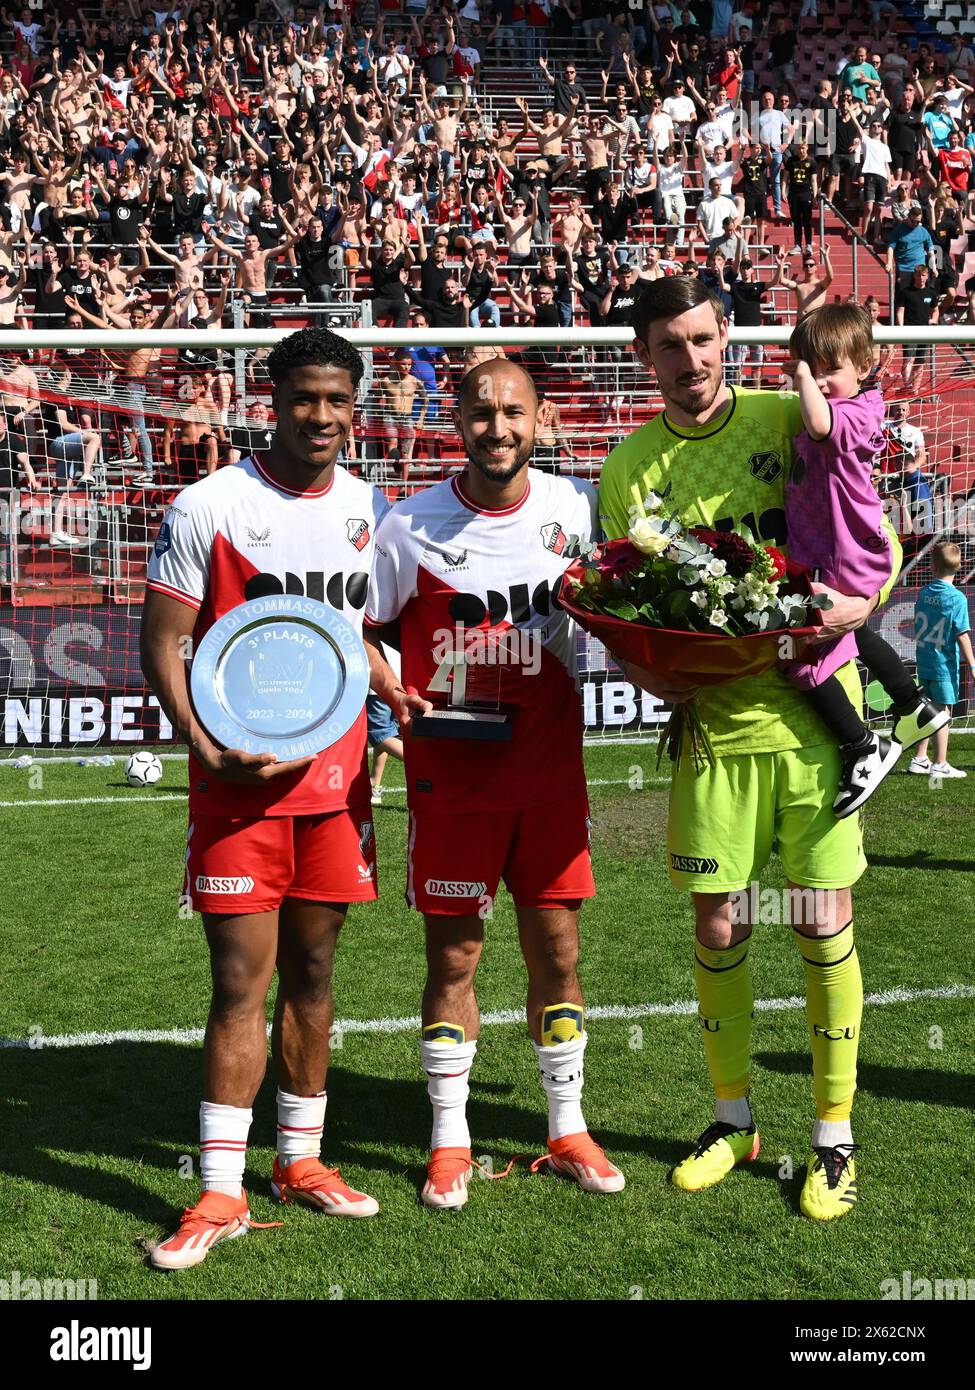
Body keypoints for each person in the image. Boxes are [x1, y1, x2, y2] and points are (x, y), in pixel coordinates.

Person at [598, 277, 903, 1222]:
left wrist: (863, 605)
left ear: (725, 336)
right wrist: (653, 676)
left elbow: (875, 540)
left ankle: (833, 1134)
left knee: (818, 920)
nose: (688, 362)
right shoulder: (630, 472)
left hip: (815, 731)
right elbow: (620, 611)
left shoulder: (788, 417)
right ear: (642, 356)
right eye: (666, 346)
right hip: (715, 736)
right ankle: (732, 1120)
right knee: (721, 925)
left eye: (701, 339)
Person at [141, 328, 426, 1270]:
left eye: (337, 400)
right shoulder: (209, 505)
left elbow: (353, 632)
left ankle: (299, 1161)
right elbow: (165, 640)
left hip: (338, 788)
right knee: (239, 983)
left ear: (356, 405)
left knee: (314, 976)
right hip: (239, 789)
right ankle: (220, 1188)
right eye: (304, 398)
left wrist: (385, 682)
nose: (321, 417)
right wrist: (204, 745)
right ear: (273, 401)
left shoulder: (368, 508)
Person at [363, 358, 624, 1212]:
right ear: (457, 420)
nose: (498, 429)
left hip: (548, 778)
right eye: (481, 414)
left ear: (541, 419)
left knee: (558, 953)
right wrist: (389, 683)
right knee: (454, 958)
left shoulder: (575, 511)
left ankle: (566, 1125)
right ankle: (449, 1141)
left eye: (514, 413)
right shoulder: (407, 525)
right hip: (453, 783)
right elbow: (366, 630)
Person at [782, 305, 948, 816]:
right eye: (812, 366)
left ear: (864, 364)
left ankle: (861, 746)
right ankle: (911, 702)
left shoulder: (854, 412)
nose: (821, 379)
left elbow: (816, 422)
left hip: (843, 555)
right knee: (851, 631)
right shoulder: (861, 403)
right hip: (838, 550)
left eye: (830, 369)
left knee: (796, 656)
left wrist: (803, 377)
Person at [909, 542, 974, 780]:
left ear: (932, 567)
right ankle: (940, 763)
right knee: (943, 713)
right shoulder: (957, 599)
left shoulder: (924, 593)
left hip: (924, 660)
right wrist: (974, 666)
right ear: (959, 567)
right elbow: (962, 635)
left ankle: (919, 758)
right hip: (943, 666)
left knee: (928, 710)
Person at [366, 689, 404, 804]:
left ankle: (425, 763)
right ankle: (374, 784)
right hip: (396, 685)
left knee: (378, 732)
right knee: (385, 731)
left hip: (377, 685)